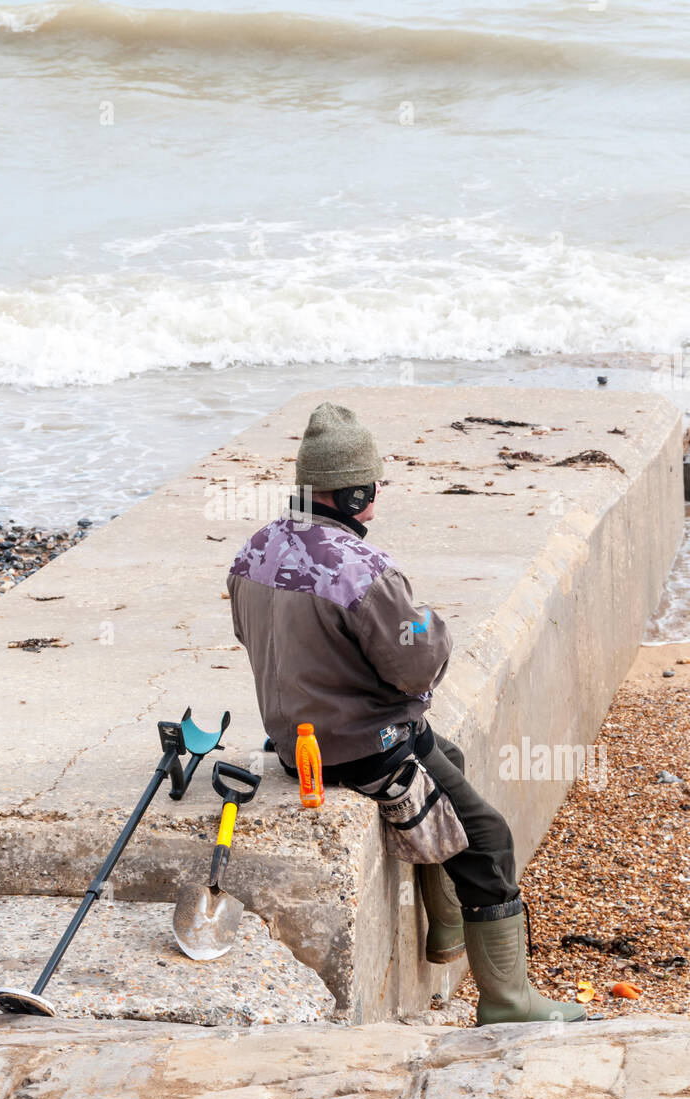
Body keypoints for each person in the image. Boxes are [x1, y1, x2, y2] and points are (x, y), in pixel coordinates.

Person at [227, 401, 583, 1026]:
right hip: (365, 746)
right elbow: (417, 664)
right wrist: (426, 619)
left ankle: (446, 927)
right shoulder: (363, 568)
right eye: (373, 486)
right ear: (352, 489)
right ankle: (508, 1001)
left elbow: (248, 634)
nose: (378, 496)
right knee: (490, 841)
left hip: (293, 743)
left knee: (454, 759)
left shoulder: (254, 550)